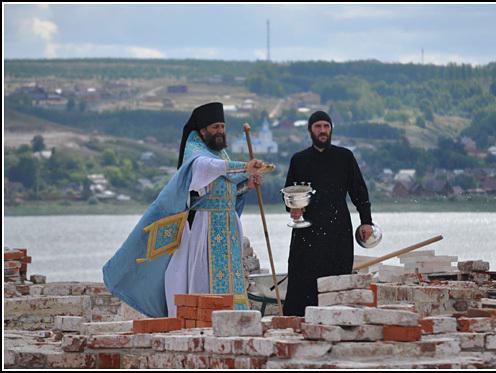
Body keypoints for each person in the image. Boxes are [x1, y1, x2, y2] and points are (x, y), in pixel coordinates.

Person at [103, 102, 264, 317]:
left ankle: (233, 317)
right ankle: (202, 319)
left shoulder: (221, 155)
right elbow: (206, 169)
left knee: (230, 277)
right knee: (202, 276)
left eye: (222, 127)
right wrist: (244, 167)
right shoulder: (196, 154)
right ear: (202, 130)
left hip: (228, 226)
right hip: (203, 227)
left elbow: (224, 188)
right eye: (215, 127)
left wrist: (246, 184)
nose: (220, 132)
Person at [283, 110, 373, 316]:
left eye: (326, 126)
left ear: (331, 129)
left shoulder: (345, 157)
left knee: (337, 280)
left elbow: (359, 191)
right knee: (302, 281)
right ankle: (298, 326)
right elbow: (288, 193)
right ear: (310, 130)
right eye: (318, 127)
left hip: (337, 229)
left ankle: (338, 321)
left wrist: (366, 221)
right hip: (307, 231)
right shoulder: (299, 160)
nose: (322, 131)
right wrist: (293, 208)